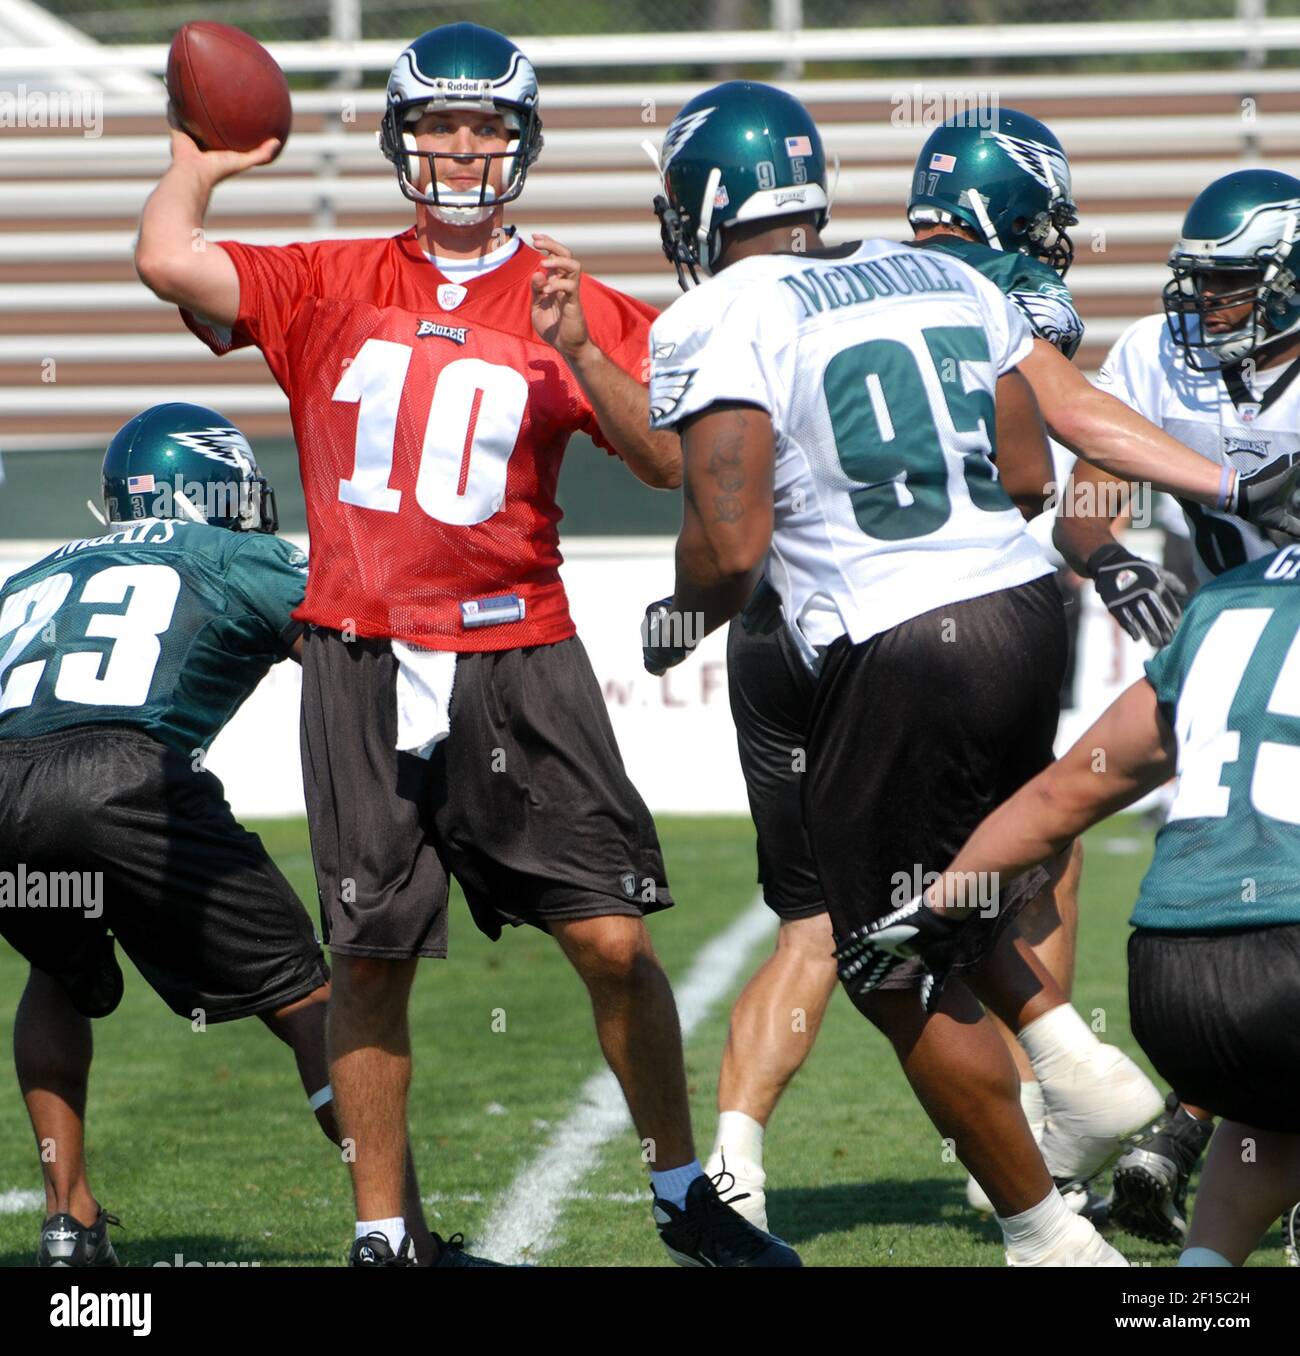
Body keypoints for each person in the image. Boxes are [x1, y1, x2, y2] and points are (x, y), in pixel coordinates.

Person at [134, 22, 797, 1267]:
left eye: (484, 125)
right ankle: (384, 1237)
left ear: (521, 141)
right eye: (437, 122)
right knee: (370, 957)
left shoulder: (573, 294)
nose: (459, 146)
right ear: (400, 137)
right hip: (362, 656)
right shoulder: (327, 275)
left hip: (520, 654)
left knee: (612, 939)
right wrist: (202, 155)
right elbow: (166, 258)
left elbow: (669, 460)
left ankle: (677, 1194)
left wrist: (581, 349)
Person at [645, 79, 1139, 1264]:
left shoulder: (754, 299)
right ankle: (1069, 1070)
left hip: (827, 628)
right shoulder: (960, 284)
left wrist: (678, 616)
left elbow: (721, 518)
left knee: (851, 931)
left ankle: (1014, 1215)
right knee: (977, 884)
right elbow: (1035, 471)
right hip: (989, 614)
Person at [0, 405, 400, 1265]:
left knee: (57, 972)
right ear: (206, 486)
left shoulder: (29, 574)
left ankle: (68, 1224)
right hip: (119, 775)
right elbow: (349, 653)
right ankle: (393, 1232)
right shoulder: (232, 552)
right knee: (308, 1000)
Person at [853, 540, 1300, 1267]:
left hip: (1172, 982)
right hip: (1287, 953)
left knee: (1270, 1115)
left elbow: (1067, 792)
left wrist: (940, 905)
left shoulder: (1222, 602)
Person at [1054, 169, 1300, 1244]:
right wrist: (1108, 564)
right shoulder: (1158, 359)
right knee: (1232, 916)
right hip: (1224, 666)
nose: (1204, 307)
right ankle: (1203, 1130)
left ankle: (1186, 1129)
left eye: (1232, 285)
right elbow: (1083, 508)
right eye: (1197, 284)